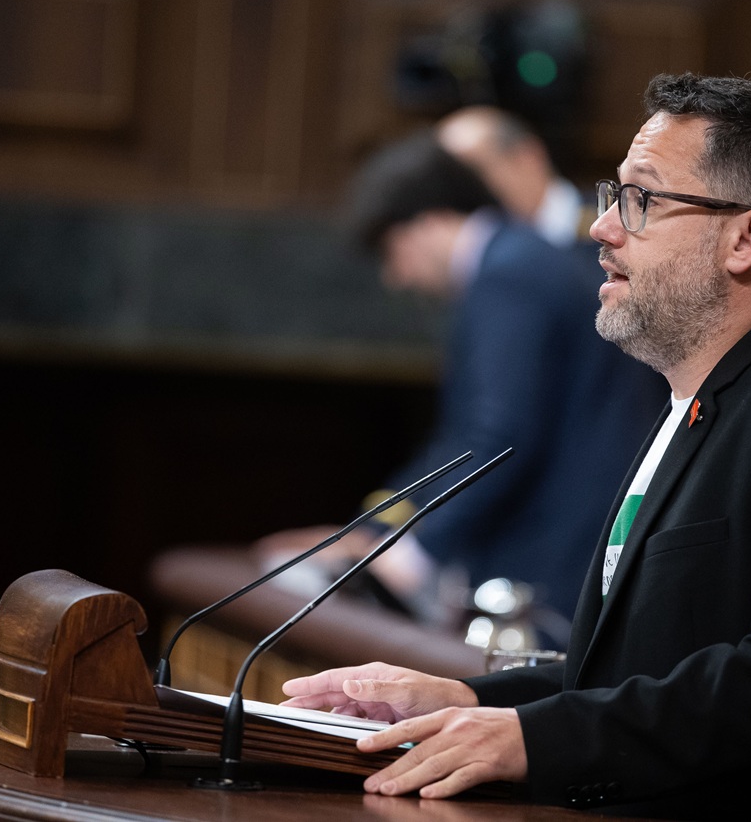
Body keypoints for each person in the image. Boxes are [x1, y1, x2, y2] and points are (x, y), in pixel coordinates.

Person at [281, 74, 751, 819]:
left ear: (748, 237)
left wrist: (532, 742)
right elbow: (638, 671)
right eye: (613, 196)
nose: (601, 228)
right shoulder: (703, 397)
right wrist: (466, 698)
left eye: (640, 201)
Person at [264, 130, 667, 646]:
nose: (398, 276)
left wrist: (413, 552)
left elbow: (500, 436)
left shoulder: (509, 275)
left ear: (429, 220)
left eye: (394, 249)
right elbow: (467, 439)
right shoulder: (524, 258)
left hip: (554, 556)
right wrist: (371, 532)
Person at [435, 105, 588, 248]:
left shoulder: (604, 223)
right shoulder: (473, 255)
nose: (462, 191)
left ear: (527, 157)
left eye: (473, 173)